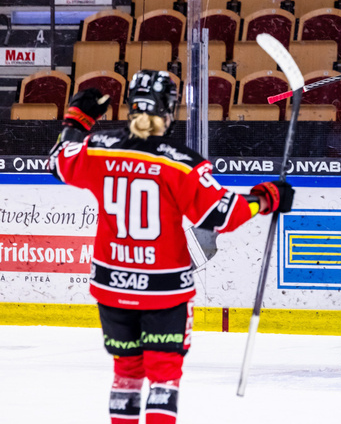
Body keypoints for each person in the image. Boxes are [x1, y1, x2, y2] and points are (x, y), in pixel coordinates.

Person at [48, 70, 294, 424]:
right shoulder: (180, 162)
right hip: (164, 290)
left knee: (126, 374)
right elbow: (222, 215)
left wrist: (78, 119)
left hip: (112, 286)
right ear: (169, 110)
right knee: (163, 378)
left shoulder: (98, 150)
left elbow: (57, 161)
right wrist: (265, 199)